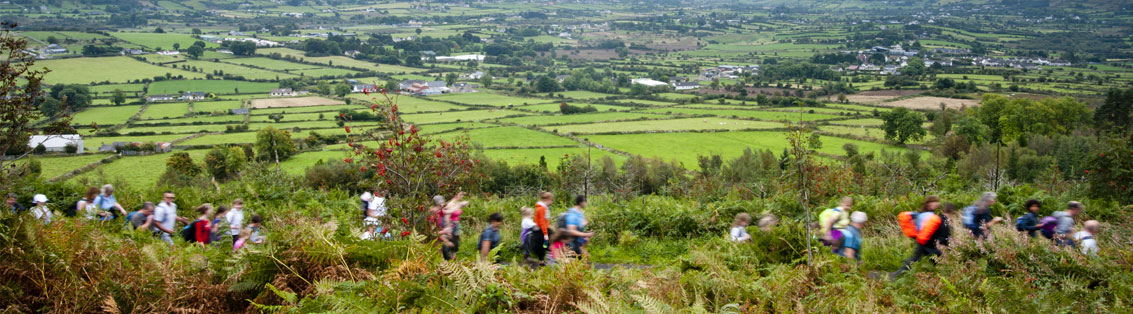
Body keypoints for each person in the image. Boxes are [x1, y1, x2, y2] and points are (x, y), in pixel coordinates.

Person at [893, 195, 951, 278]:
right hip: (925, 243)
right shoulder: (927, 215)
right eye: (932, 202)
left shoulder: (924, 214)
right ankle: (897, 275)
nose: (935, 204)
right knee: (933, 258)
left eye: (936, 202)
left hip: (925, 242)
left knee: (918, 259)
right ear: (928, 204)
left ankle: (898, 275)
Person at [525, 192, 554, 264]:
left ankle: (542, 261)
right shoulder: (541, 209)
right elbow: (542, 222)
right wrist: (545, 234)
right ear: (547, 200)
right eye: (551, 200)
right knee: (547, 245)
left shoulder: (543, 207)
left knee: (544, 246)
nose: (551, 202)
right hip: (541, 231)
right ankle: (548, 260)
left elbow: (545, 220)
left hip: (542, 230)